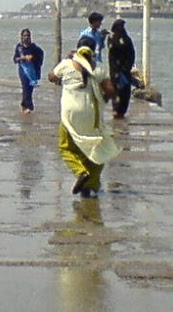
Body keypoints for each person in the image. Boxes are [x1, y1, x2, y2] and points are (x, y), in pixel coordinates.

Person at [48, 36, 121, 197]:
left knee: (65, 146)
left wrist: (64, 67)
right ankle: (91, 184)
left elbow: (51, 76)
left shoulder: (67, 65)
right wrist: (103, 100)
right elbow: (110, 91)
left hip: (70, 113)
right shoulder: (99, 68)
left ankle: (81, 172)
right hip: (91, 114)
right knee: (96, 147)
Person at [105, 18, 135, 118]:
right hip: (115, 71)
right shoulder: (112, 40)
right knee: (117, 91)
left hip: (123, 71)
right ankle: (117, 110)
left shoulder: (126, 39)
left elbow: (131, 54)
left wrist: (127, 67)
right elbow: (112, 50)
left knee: (124, 92)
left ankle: (120, 111)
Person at [13, 28, 45, 113]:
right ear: (21, 37)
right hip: (23, 70)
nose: (26, 37)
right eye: (24, 36)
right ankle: (27, 106)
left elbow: (40, 55)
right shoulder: (19, 47)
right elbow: (15, 59)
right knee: (25, 87)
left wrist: (32, 58)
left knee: (30, 88)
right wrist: (22, 58)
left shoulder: (34, 48)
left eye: (28, 36)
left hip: (32, 71)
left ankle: (25, 104)